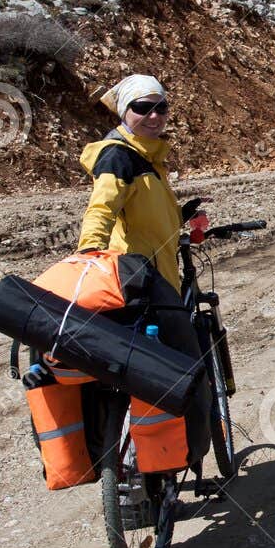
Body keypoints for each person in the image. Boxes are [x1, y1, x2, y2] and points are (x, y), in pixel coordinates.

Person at [76, 74, 211, 474]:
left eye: (161, 107)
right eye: (142, 108)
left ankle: (155, 463)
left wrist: (182, 217)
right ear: (125, 112)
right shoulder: (119, 156)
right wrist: (88, 255)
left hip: (154, 275)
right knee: (188, 370)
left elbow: (144, 214)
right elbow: (102, 209)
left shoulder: (148, 157)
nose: (154, 115)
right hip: (139, 282)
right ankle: (176, 460)